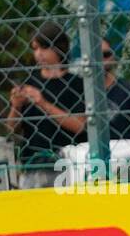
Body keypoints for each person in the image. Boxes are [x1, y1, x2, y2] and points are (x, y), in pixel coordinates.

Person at [6, 21, 86, 186]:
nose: (39, 54)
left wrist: (42, 103)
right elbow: (11, 129)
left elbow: (79, 126)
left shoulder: (77, 84)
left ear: (59, 47)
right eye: (35, 49)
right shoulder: (30, 81)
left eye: (44, 48)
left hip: (68, 163)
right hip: (33, 164)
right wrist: (16, 106)